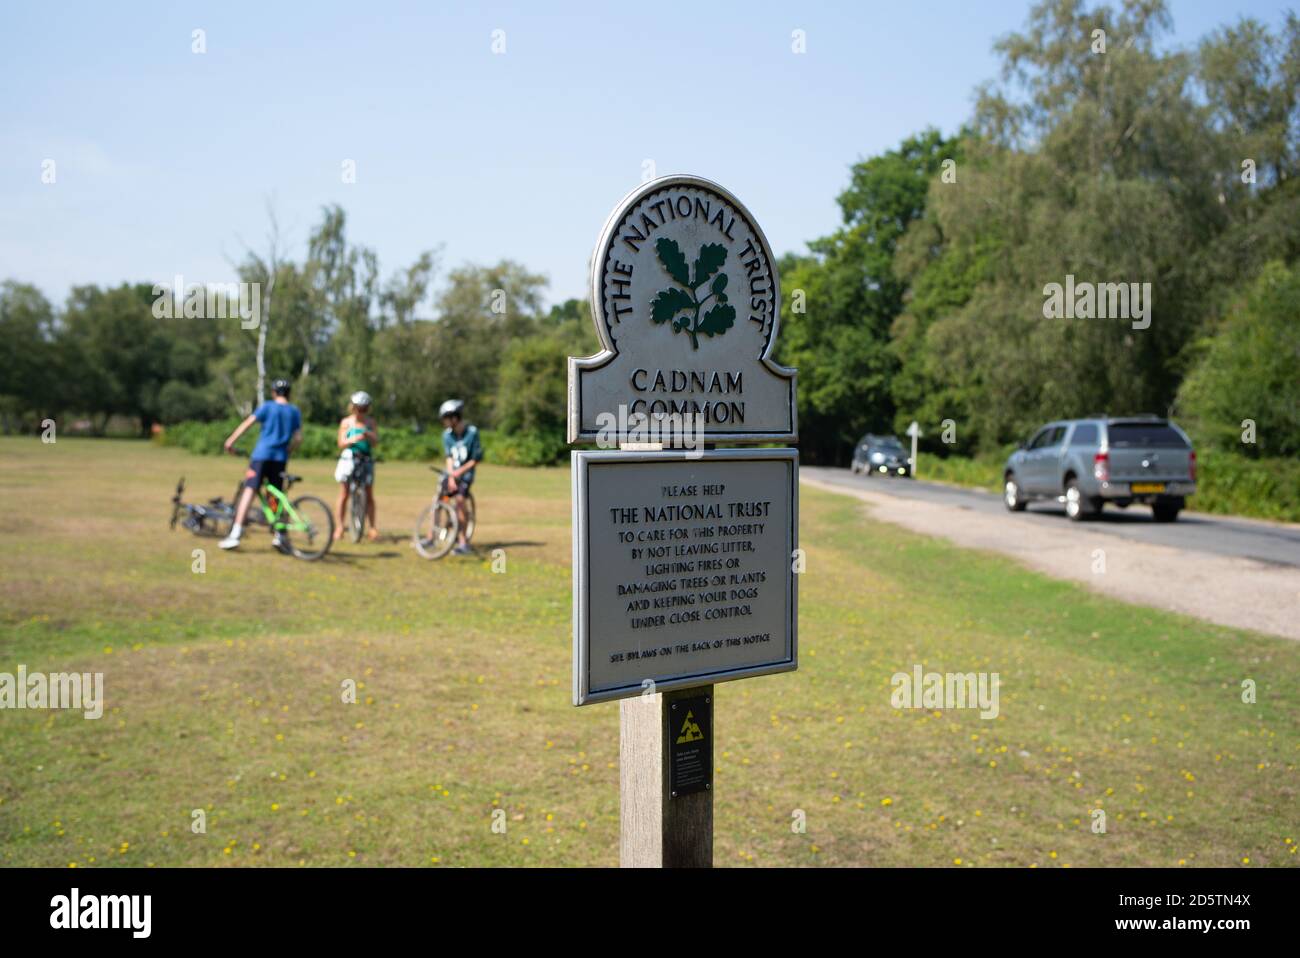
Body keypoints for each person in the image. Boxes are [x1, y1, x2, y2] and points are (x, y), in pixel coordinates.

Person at [219, 379, 303, 551]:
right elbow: (298, 438)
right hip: (280, 459)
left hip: (261, 456)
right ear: (289, 394)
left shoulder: (267, 407)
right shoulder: (294, 411)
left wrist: (230, 441)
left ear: (273, 392)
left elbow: (247, 424)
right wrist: (288, 450)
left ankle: (235, 533)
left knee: (249, 490)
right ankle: (279, 535)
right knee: (275, 495)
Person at [334, 390, 380, 541]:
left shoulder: (370, 423)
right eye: (359, 408)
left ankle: (372, 528)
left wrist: (368, 435)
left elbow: (375, 443)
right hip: (350, 459)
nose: (361, 411)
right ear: (353, 407)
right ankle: (340, 527)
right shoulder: (346, 422)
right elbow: (340, 443)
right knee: (344, 493)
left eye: (364, 408)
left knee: (369, 494)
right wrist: (353, 439)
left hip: (366, 460)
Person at [439, 398, 483, 555]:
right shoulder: (447, 435)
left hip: (465, 476)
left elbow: (475, 459)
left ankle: (463, 542)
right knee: (438, 500)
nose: (444, 422)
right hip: (452, 474)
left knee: (459, 502)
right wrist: (451, 475)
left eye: (446, 418)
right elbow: (449, 457)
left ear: (454, 418)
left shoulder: (472, 433)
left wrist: (459, 473)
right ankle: (431, 536)